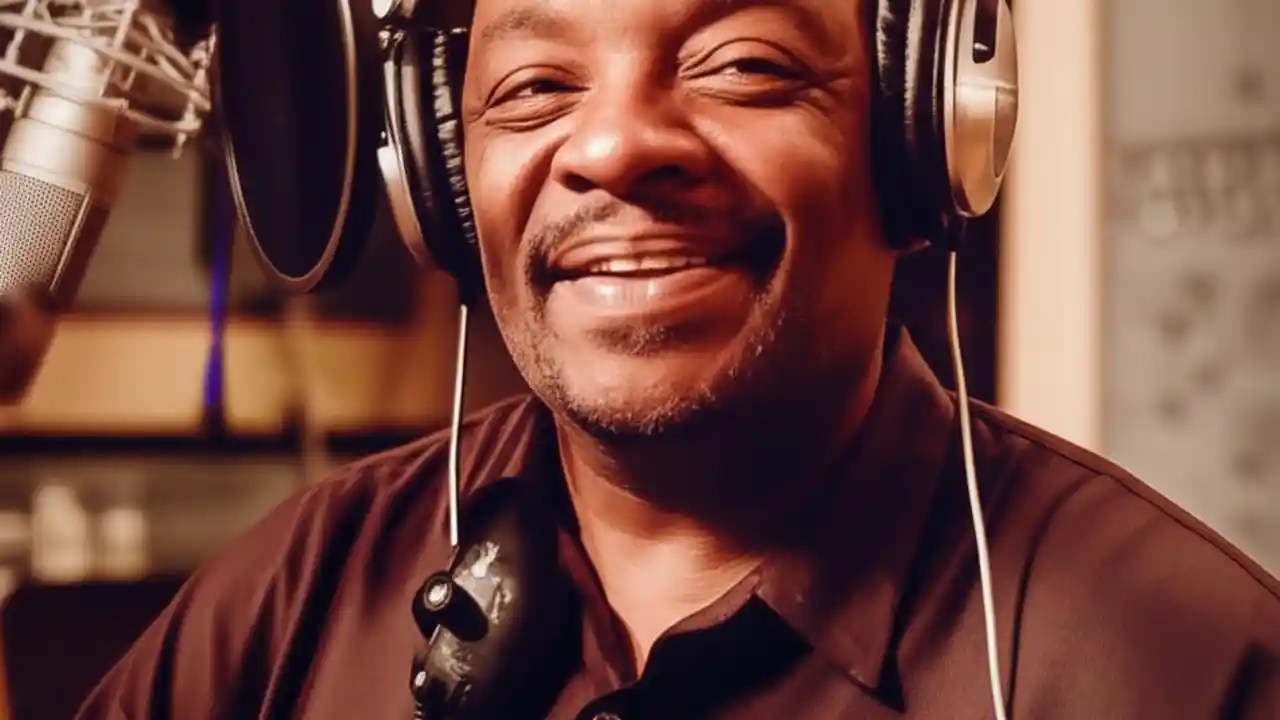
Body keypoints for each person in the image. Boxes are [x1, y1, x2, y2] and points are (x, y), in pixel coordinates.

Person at [79, 0, 1279, 717]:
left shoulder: (1179, 663)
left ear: (925, 144)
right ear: (443, 188)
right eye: (536, 86)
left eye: (740, 64)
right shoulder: (288, 607)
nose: (612, 146)